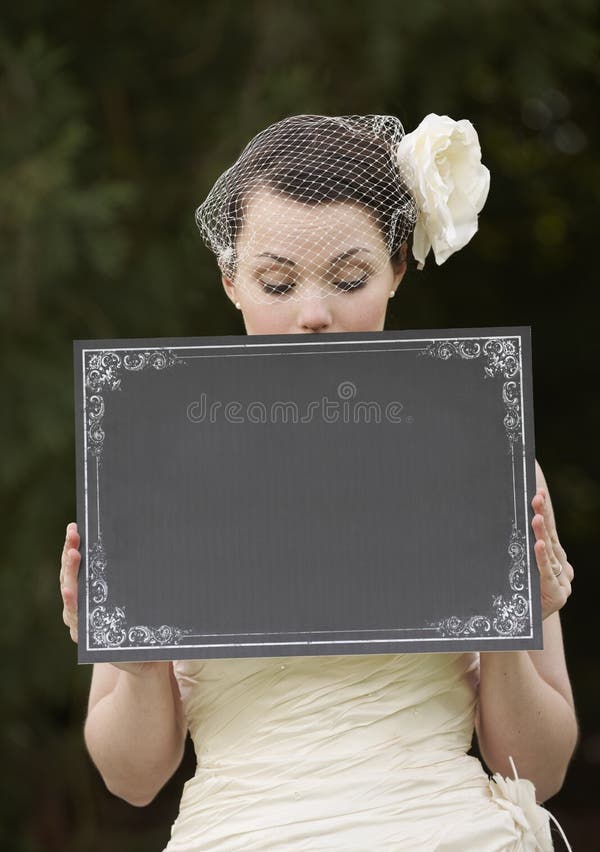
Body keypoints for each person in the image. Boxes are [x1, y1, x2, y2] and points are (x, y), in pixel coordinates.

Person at [60, 114, 577, 850]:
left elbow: (544, 768)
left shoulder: (486, 447)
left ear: (398, 269)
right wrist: (138, 662)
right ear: (231, 279)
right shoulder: (149, 461)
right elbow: (132, 778)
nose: (313, 314)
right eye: (277, 281)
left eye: (348, 278)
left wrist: (507, 621)